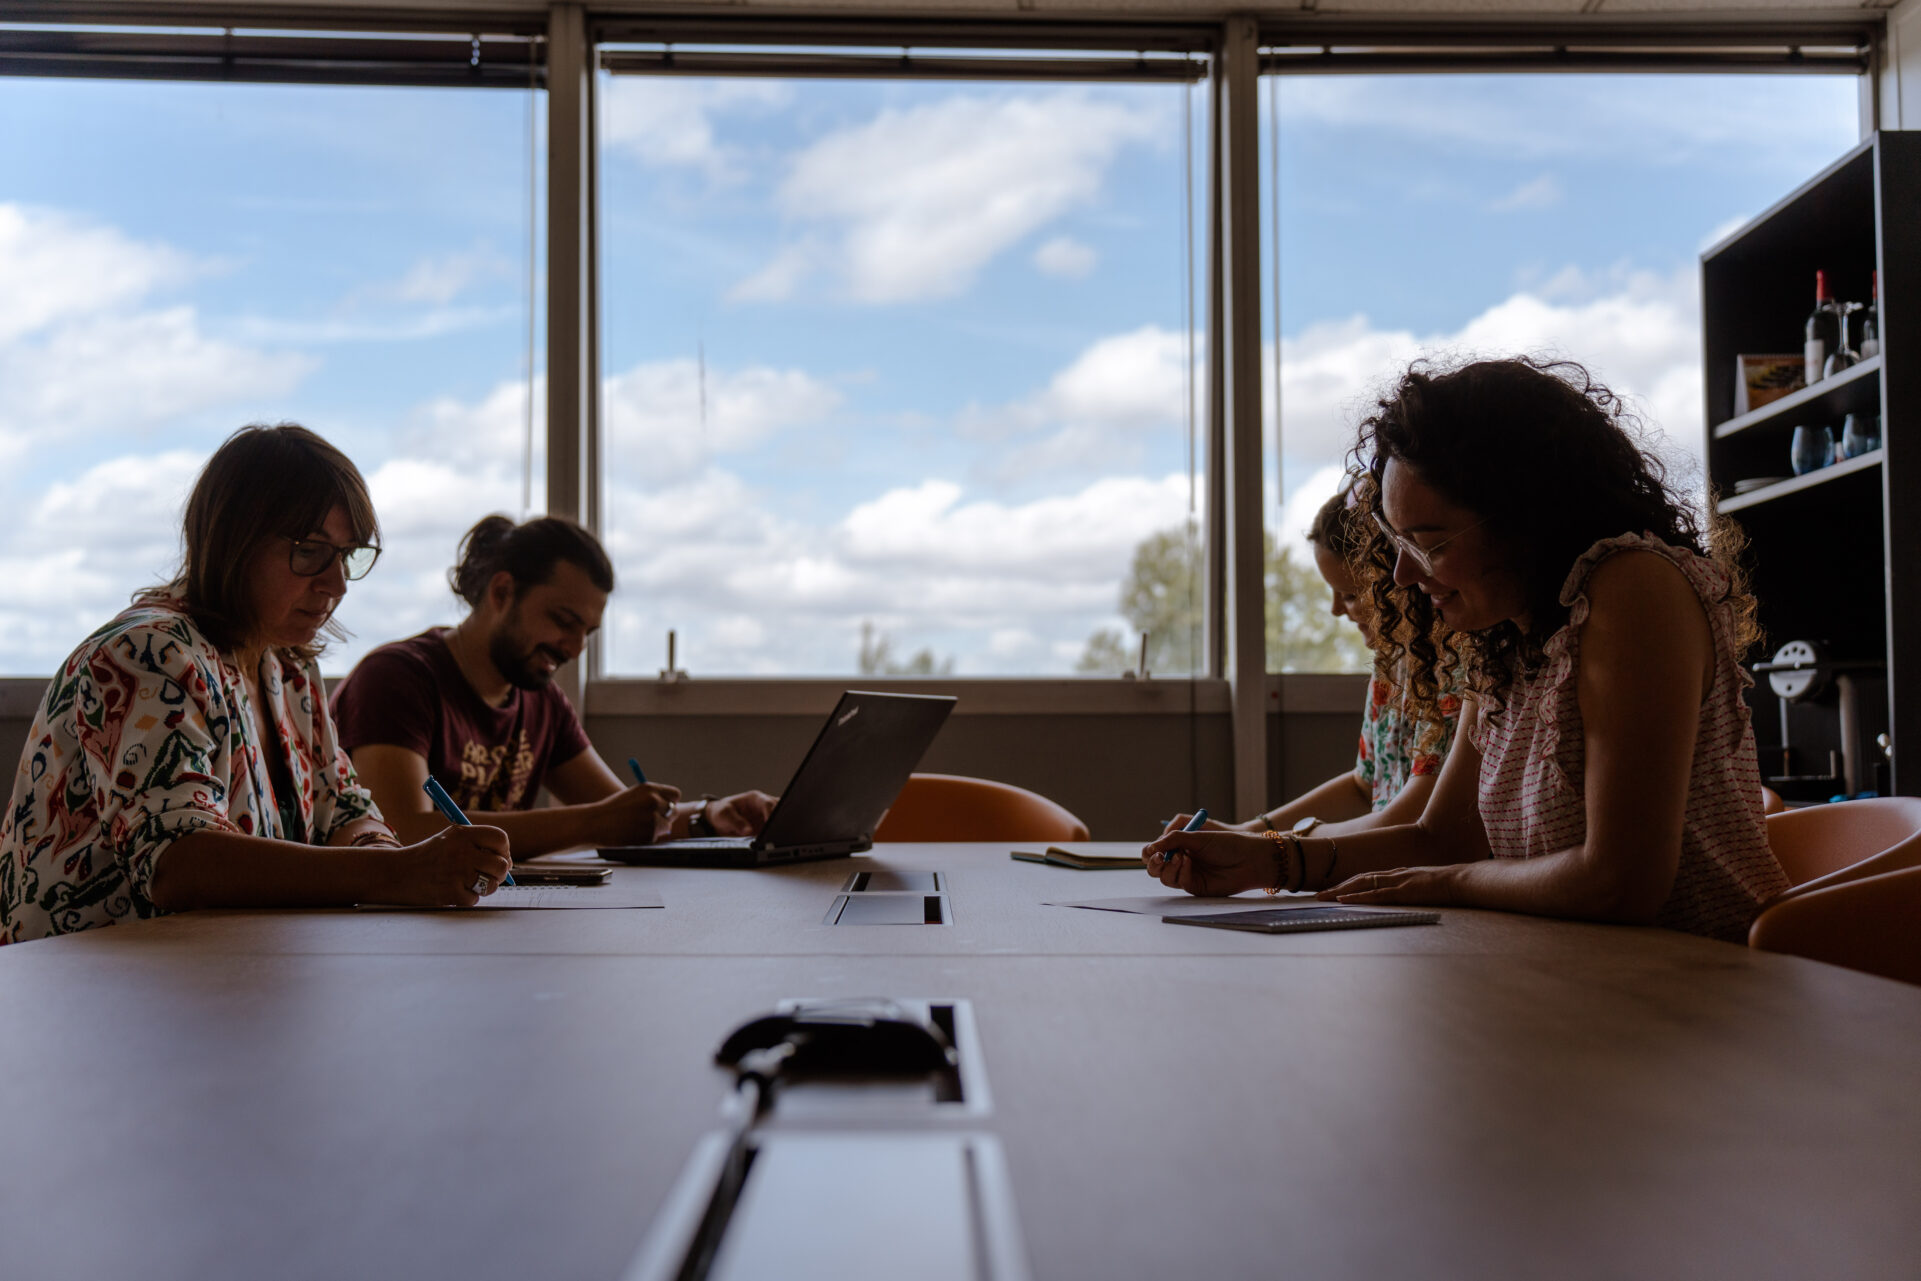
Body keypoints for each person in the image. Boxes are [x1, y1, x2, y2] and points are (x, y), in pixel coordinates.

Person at [1146, 357, 1790, 942]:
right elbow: (1442, 837)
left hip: (1704, 980)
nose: (1403, 575)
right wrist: (1268, 859)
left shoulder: (1635, 588)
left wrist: (1452, 882)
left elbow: (1620, 881)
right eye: (1398, 543)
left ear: (1525, 516)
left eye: (1428, 543)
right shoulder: (1508, 633)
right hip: (1583, 972)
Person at [0, 425, 511, 943]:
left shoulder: (287, 665)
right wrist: (396, 873)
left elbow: (343, 809)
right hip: (80, 980)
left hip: (211, 970)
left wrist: (377, 852)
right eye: (310, 552)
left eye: (348, 556)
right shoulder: (146, 654)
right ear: (234, 543)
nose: (336, 584)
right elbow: (179, 862)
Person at [332, 515, 775, 859]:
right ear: (502, 592)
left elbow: (625, 816)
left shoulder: (540, 700)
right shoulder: (395, 679)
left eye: (588, 633)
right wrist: (591, 824)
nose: (575, 648)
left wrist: (712, 814)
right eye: (563, 621)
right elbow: (403, 830)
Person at [1181, 487, 1459, 839]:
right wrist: (1248, 831)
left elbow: (1412, 815)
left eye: (1349, 594)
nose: (1336, 609)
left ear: (1399, 584)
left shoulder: (1454, 668)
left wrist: (1274, 847)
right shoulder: (1389, 668)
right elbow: (1363, 787)